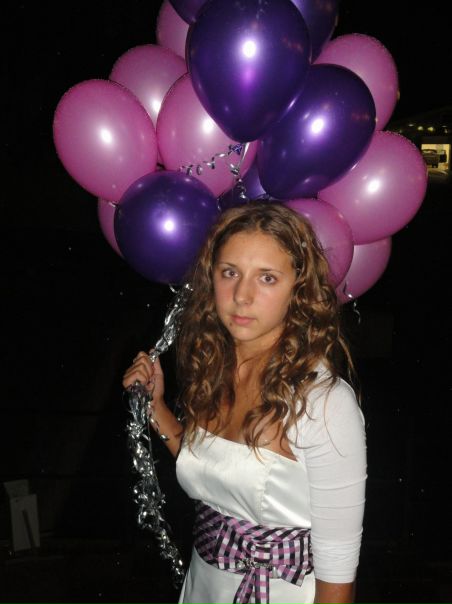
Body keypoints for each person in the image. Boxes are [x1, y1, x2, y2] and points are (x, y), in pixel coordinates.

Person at [122, 202, 367, 604]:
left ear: (299, 290)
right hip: (203, 587)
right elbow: (216, 473)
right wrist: (157, 408)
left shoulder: (324, 404)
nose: (241, 295)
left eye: (267, 277)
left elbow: (338, 579)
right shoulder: (213, 371)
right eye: (230, 272)